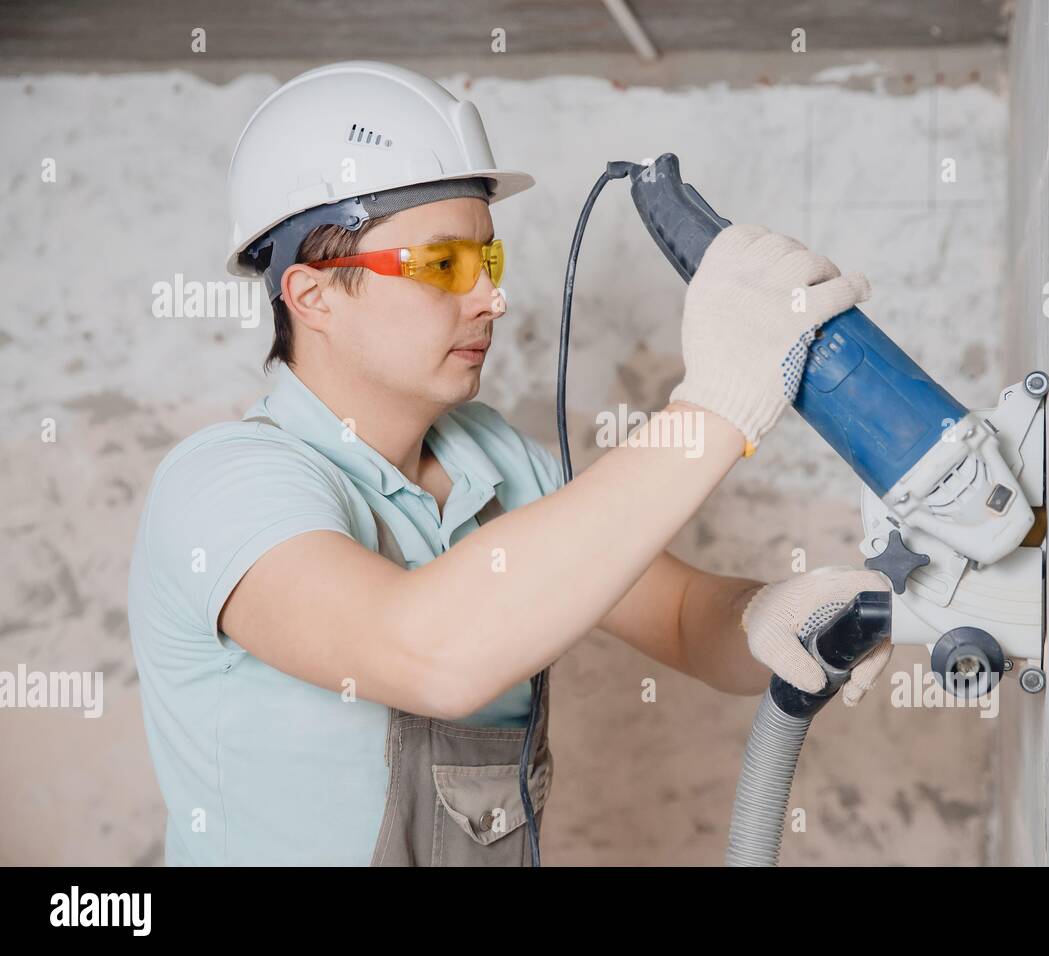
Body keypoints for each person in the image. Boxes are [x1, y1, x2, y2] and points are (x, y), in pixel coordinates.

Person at [127, 61, 891, 866]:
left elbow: (677, 617)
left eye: (487, 262)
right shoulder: (223, 486)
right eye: (444, 266)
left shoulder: (493, 461)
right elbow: (430, 653)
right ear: (313, 295)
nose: (492, 299)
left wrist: (771, 615)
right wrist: (716, 407)